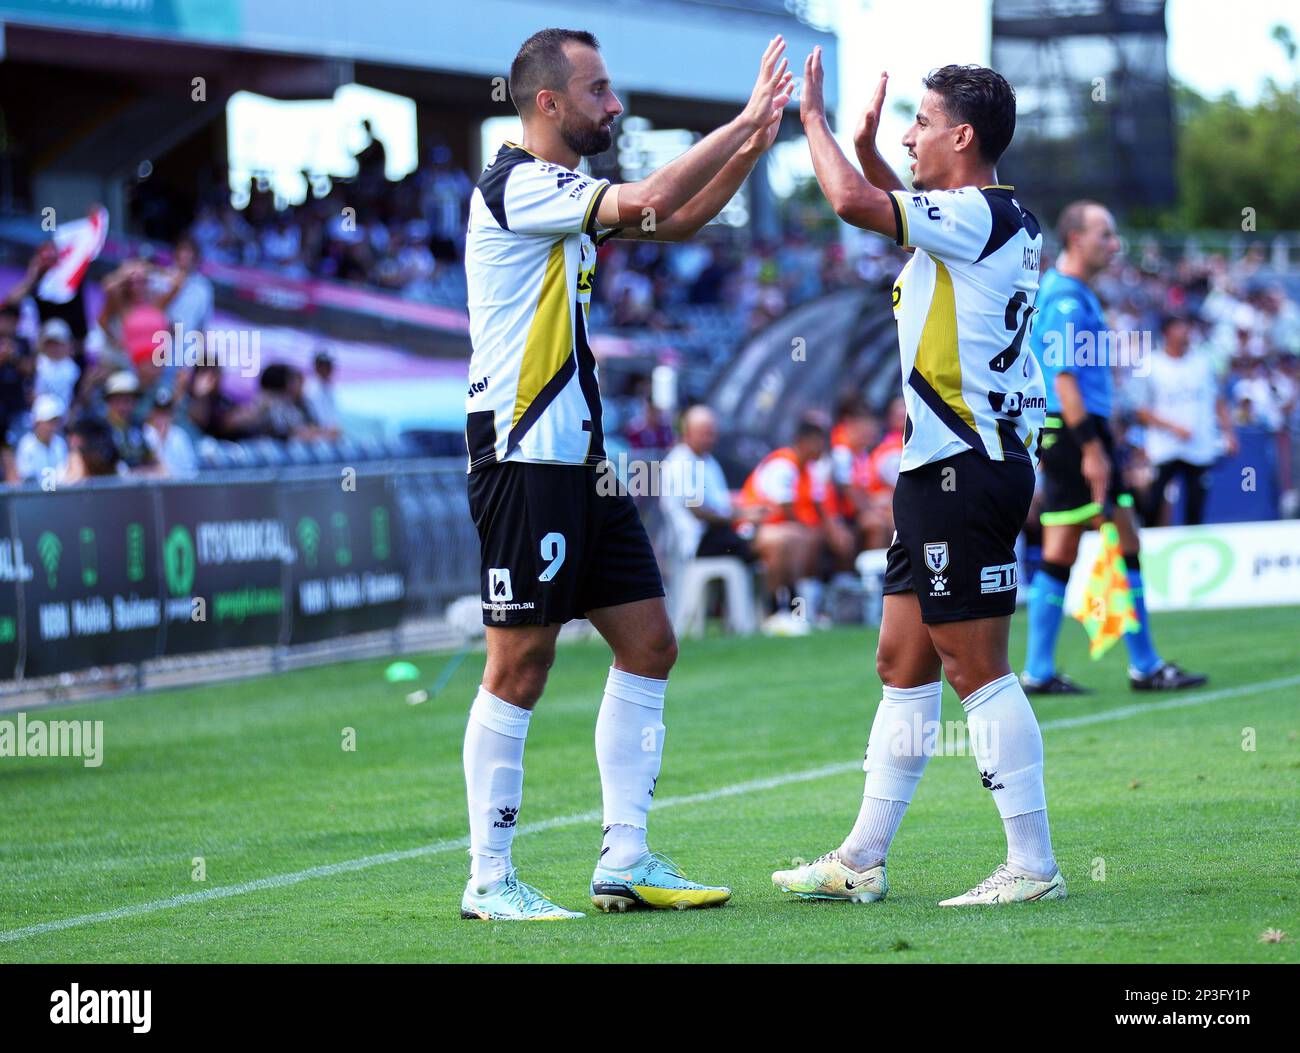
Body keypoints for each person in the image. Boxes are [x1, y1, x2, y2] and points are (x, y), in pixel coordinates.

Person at [460, 27, 792, 920]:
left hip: (582, 459)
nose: (614, 105)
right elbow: (651, 194)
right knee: (519, 664)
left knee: (649, 641)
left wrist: (756, 145)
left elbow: (671, 216)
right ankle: (490, 877)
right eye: (599, 90)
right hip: (525, 456)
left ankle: (626, 856)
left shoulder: (562, 190)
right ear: (547, 104)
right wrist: (746, 117)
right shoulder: (519, 185)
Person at [775, 56, 1064, 906]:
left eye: (922, 122)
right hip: (940, 466)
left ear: (962, 137)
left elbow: (858, 206)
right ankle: (861, 856)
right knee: (902, 660)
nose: (909, 136)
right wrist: (866, 147)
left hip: (963, 469)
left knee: (974, 667)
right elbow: (892, 211)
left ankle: (1033, 862)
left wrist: (817, 127)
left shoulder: (979, 214)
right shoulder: (987, 218)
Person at [1021, 201, 1206, 695]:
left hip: (1072, 433)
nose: (1114, 244)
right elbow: (1063, 380)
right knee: (1122, 540)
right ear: (1076, 238)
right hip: (1075, 434)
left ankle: (1040, 670)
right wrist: (1092, 448)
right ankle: (1142, 665)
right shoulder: (1065, 300)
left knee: (1064, 548)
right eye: (1105, 234)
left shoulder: (1073, 294)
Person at [737, 417, 844, 627]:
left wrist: (833, 532)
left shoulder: (810, 469)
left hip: (782, 530)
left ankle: (808, 608)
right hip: (751, 529)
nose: (821, 447)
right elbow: (786, 511)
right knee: (791, 539)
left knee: (810, 538)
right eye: (817, 442)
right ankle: (774, 610)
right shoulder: (782, 465)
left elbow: (819, 506)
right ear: (802, 442)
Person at [1137, 314, 1237, 526]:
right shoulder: (1150, 365)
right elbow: (1141, 411)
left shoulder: (1203, 363)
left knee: (1196, 504)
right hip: (1164, 447)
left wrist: (1229, 433)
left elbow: (1218, 401)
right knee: (1154, 503)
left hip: (1199, 445)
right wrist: (1172, 427)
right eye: (1179, 328)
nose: (1185, 333)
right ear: (1166, 333)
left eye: (1186, 327)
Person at [659, 405, 756, 563]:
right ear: (687, 433)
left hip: (718, 532)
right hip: (698, 540)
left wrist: (749, 508)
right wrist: (740, 516)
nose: (709, 439)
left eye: (712, 433)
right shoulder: (680, 462)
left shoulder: (708, 460)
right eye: (704, 434)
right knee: (764, 543)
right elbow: (698, 510)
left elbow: (720, 502)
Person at [15, 395, 68, 483]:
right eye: (49, 422)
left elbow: (63, 476)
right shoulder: (26, 445)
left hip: (58, 494)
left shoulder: (60, 443)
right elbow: (26, 479)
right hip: (33, 496)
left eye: (55, 422)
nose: (53, 427)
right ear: (38, 423)